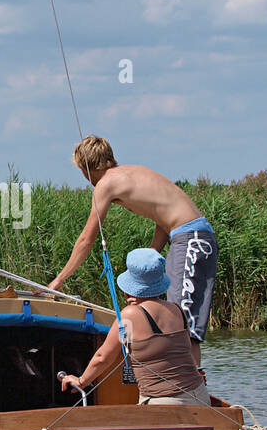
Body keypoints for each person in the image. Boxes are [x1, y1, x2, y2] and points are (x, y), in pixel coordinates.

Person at [47, 135, 217, 370]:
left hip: (192, 240)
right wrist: (152, 254)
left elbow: (87, 238)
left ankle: (189, 391)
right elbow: (163, 219)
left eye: (83, 172)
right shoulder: (132, 172)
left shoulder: (106, 184)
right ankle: (180, 382)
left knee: (185, 326)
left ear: (90, 168)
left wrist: (59, 279)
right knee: (176, 319)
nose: (86, 180)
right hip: (185, 237)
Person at [59, 248, 209, 406]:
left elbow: (102, 357)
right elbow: (184, 351)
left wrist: (81, 381)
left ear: (129, 290)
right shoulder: (177, 310)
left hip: (163, 403)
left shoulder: (129, 315)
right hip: (199, 395)